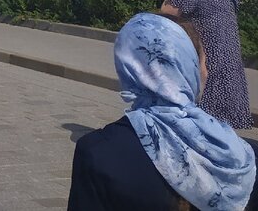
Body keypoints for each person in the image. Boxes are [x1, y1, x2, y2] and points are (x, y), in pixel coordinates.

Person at [66, 12, 255, 211]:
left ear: (128, 69)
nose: (207, 71)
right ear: (189, 67)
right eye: (203, 61)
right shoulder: (244, 159)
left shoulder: (98, 152)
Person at [161, 0, 251, 130]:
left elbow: (168, 11)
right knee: (223, 121)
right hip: (230, 52)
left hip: (208, 52)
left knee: (205, 112)